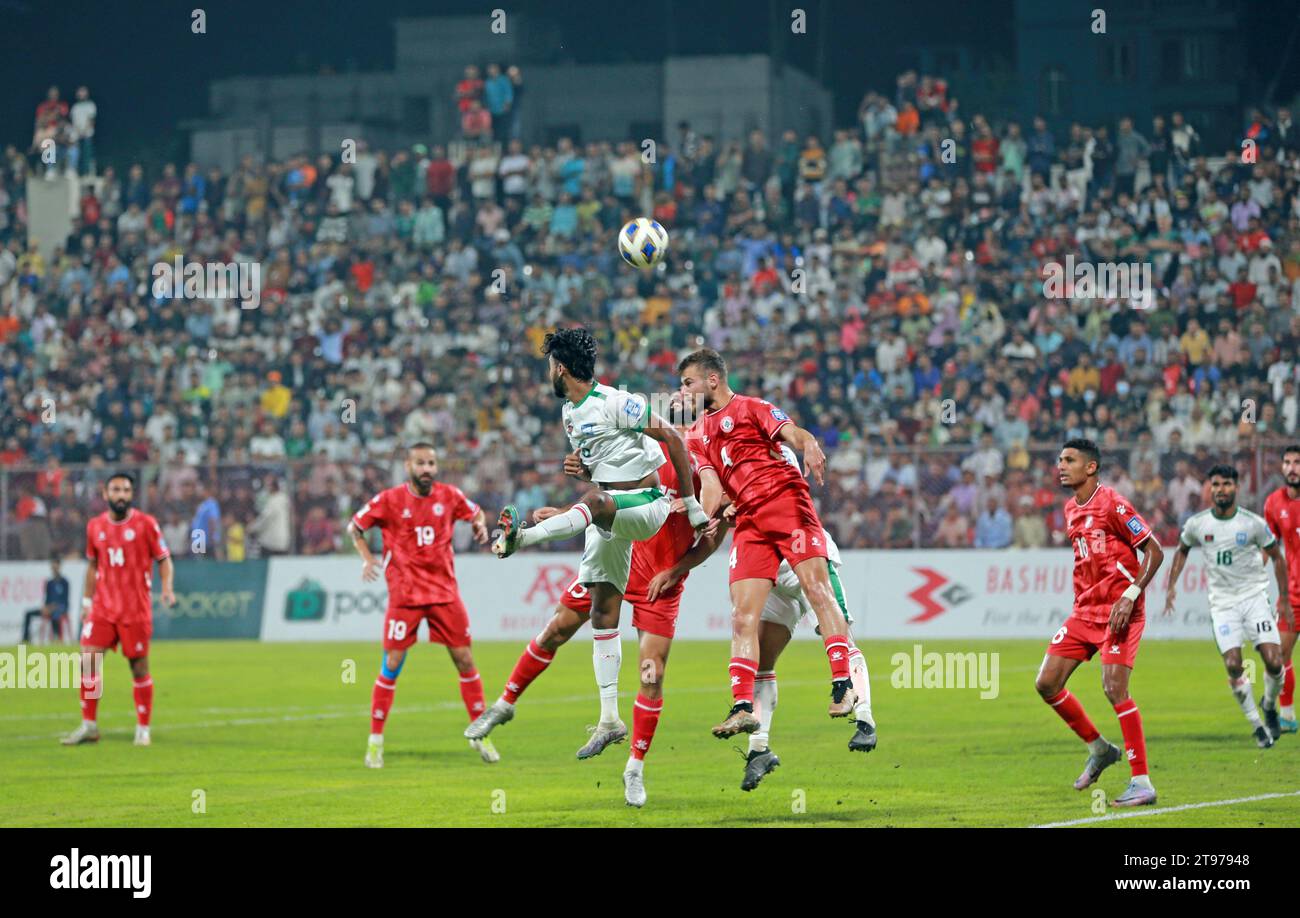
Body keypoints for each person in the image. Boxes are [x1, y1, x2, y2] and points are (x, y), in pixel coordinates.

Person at [466, 397, 722, 807]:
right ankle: (504, 704)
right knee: (556, 629)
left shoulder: (707, 467)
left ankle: (634, 770)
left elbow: (713, 532)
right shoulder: (643, 447)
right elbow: (610, 496)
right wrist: (570, 510)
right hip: (622, 557)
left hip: (663, 578)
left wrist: (675, 571)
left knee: (651, 674)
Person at [491, 327, 709, 763]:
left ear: (562, 368)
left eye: (550, 367)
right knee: (601, 611)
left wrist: (691, 503)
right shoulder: (571, 415)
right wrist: (585, 468)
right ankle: (610, 718)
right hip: (610, 509)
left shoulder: (614, 402)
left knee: (595, 503)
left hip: (648, 506)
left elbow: (672, 437)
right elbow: (608, 467)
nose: (547, 375)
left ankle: (522, 538)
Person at [677, 347, 856, 738]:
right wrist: (690, 517)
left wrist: (809, 444)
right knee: (743, 616)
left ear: (712, 380)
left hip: (786, 503)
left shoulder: (753, 408)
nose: (683, 391)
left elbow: (793, 433)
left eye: (688, 383)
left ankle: (844, 684)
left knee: (816, 588)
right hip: (749, 521)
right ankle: (742, 707)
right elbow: (709, 488)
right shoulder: (695, 434)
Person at [1034, 439, 1164, 807]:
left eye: (1070, 460)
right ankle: (1099, 748)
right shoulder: (1069, 508)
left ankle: (1142, 781)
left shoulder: (1114, 503)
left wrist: (1131, 594)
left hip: (1119, 612)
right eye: (1059, 459)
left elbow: (1154, 551)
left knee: (1114, 688)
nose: (1061, 465)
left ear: (1091, 467)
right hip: (1084, 612)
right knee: (1046, 683)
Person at [348, 442, 491, 767]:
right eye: (421, 463)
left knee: (465, 659)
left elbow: (476, 511)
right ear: (408, 466)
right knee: (393, 663)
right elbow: (355, 526)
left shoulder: (450, 495)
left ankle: (482, 736)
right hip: (406, 596)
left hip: (444, 594)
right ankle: (375, 742)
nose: (427, 469)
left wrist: (479, 523)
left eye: (431, 463)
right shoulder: (389, 500)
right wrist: (367, 558)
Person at [1165, 465, 1293, 747]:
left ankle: (1269, 705)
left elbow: (1277, 557)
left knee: (1274, 661)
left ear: (1236, 488)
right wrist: (1172, 585)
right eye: (1216, 485)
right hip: (1223, 604)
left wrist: (1283, 597)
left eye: (1226, 484)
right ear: (1210, 488)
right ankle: (1257, 726)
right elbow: (1182, 549)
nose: (1220, 489)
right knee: (1234, 664)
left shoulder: (1252, 523)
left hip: (1254, 598)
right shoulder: (1198, 524)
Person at [62, 473, 176, 747]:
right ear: (105, 494)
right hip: (102, 608)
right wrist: (87, 603)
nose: (121, 495)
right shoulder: (94, 527)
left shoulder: (146, 524)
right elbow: (92, 565)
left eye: (126, 490)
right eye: (116, 490)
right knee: (87, 661)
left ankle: (143, 728)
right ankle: (89, 726)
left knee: (138, 668)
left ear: (131, 494)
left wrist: (167, 588)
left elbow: (164, 559)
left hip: (134, 610)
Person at [1262, 444, 1300, 732]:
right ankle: (1286, 715)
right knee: (1279, 656)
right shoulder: (1273, 503)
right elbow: (1268, 547)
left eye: (1297, 462)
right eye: (1287, 462)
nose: (1292, 467)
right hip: (1293, 596)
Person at [21, 556, 70, 644]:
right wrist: (45, 607)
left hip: (61, 608)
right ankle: (25, 638)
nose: (54, 569)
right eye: (53, 567)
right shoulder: (49, 583)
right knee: (28, 613)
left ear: (59, 567)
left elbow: (65, 600)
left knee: (55, 614)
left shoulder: (64, 582)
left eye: (56, 566)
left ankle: (57, 638)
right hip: (49, 608)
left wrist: (54, 607)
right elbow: (47, 599)